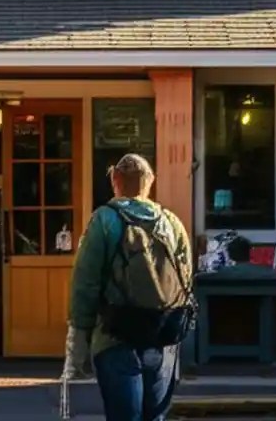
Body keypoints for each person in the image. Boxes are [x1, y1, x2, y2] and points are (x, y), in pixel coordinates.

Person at [65, 153, 193, 421]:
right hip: (163, 338)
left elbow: (85, 284)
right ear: (151, 182)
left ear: (115, 180)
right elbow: (185, 281)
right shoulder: (171, 222)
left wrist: (78, 344)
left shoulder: (104, 220)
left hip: (116, 337)